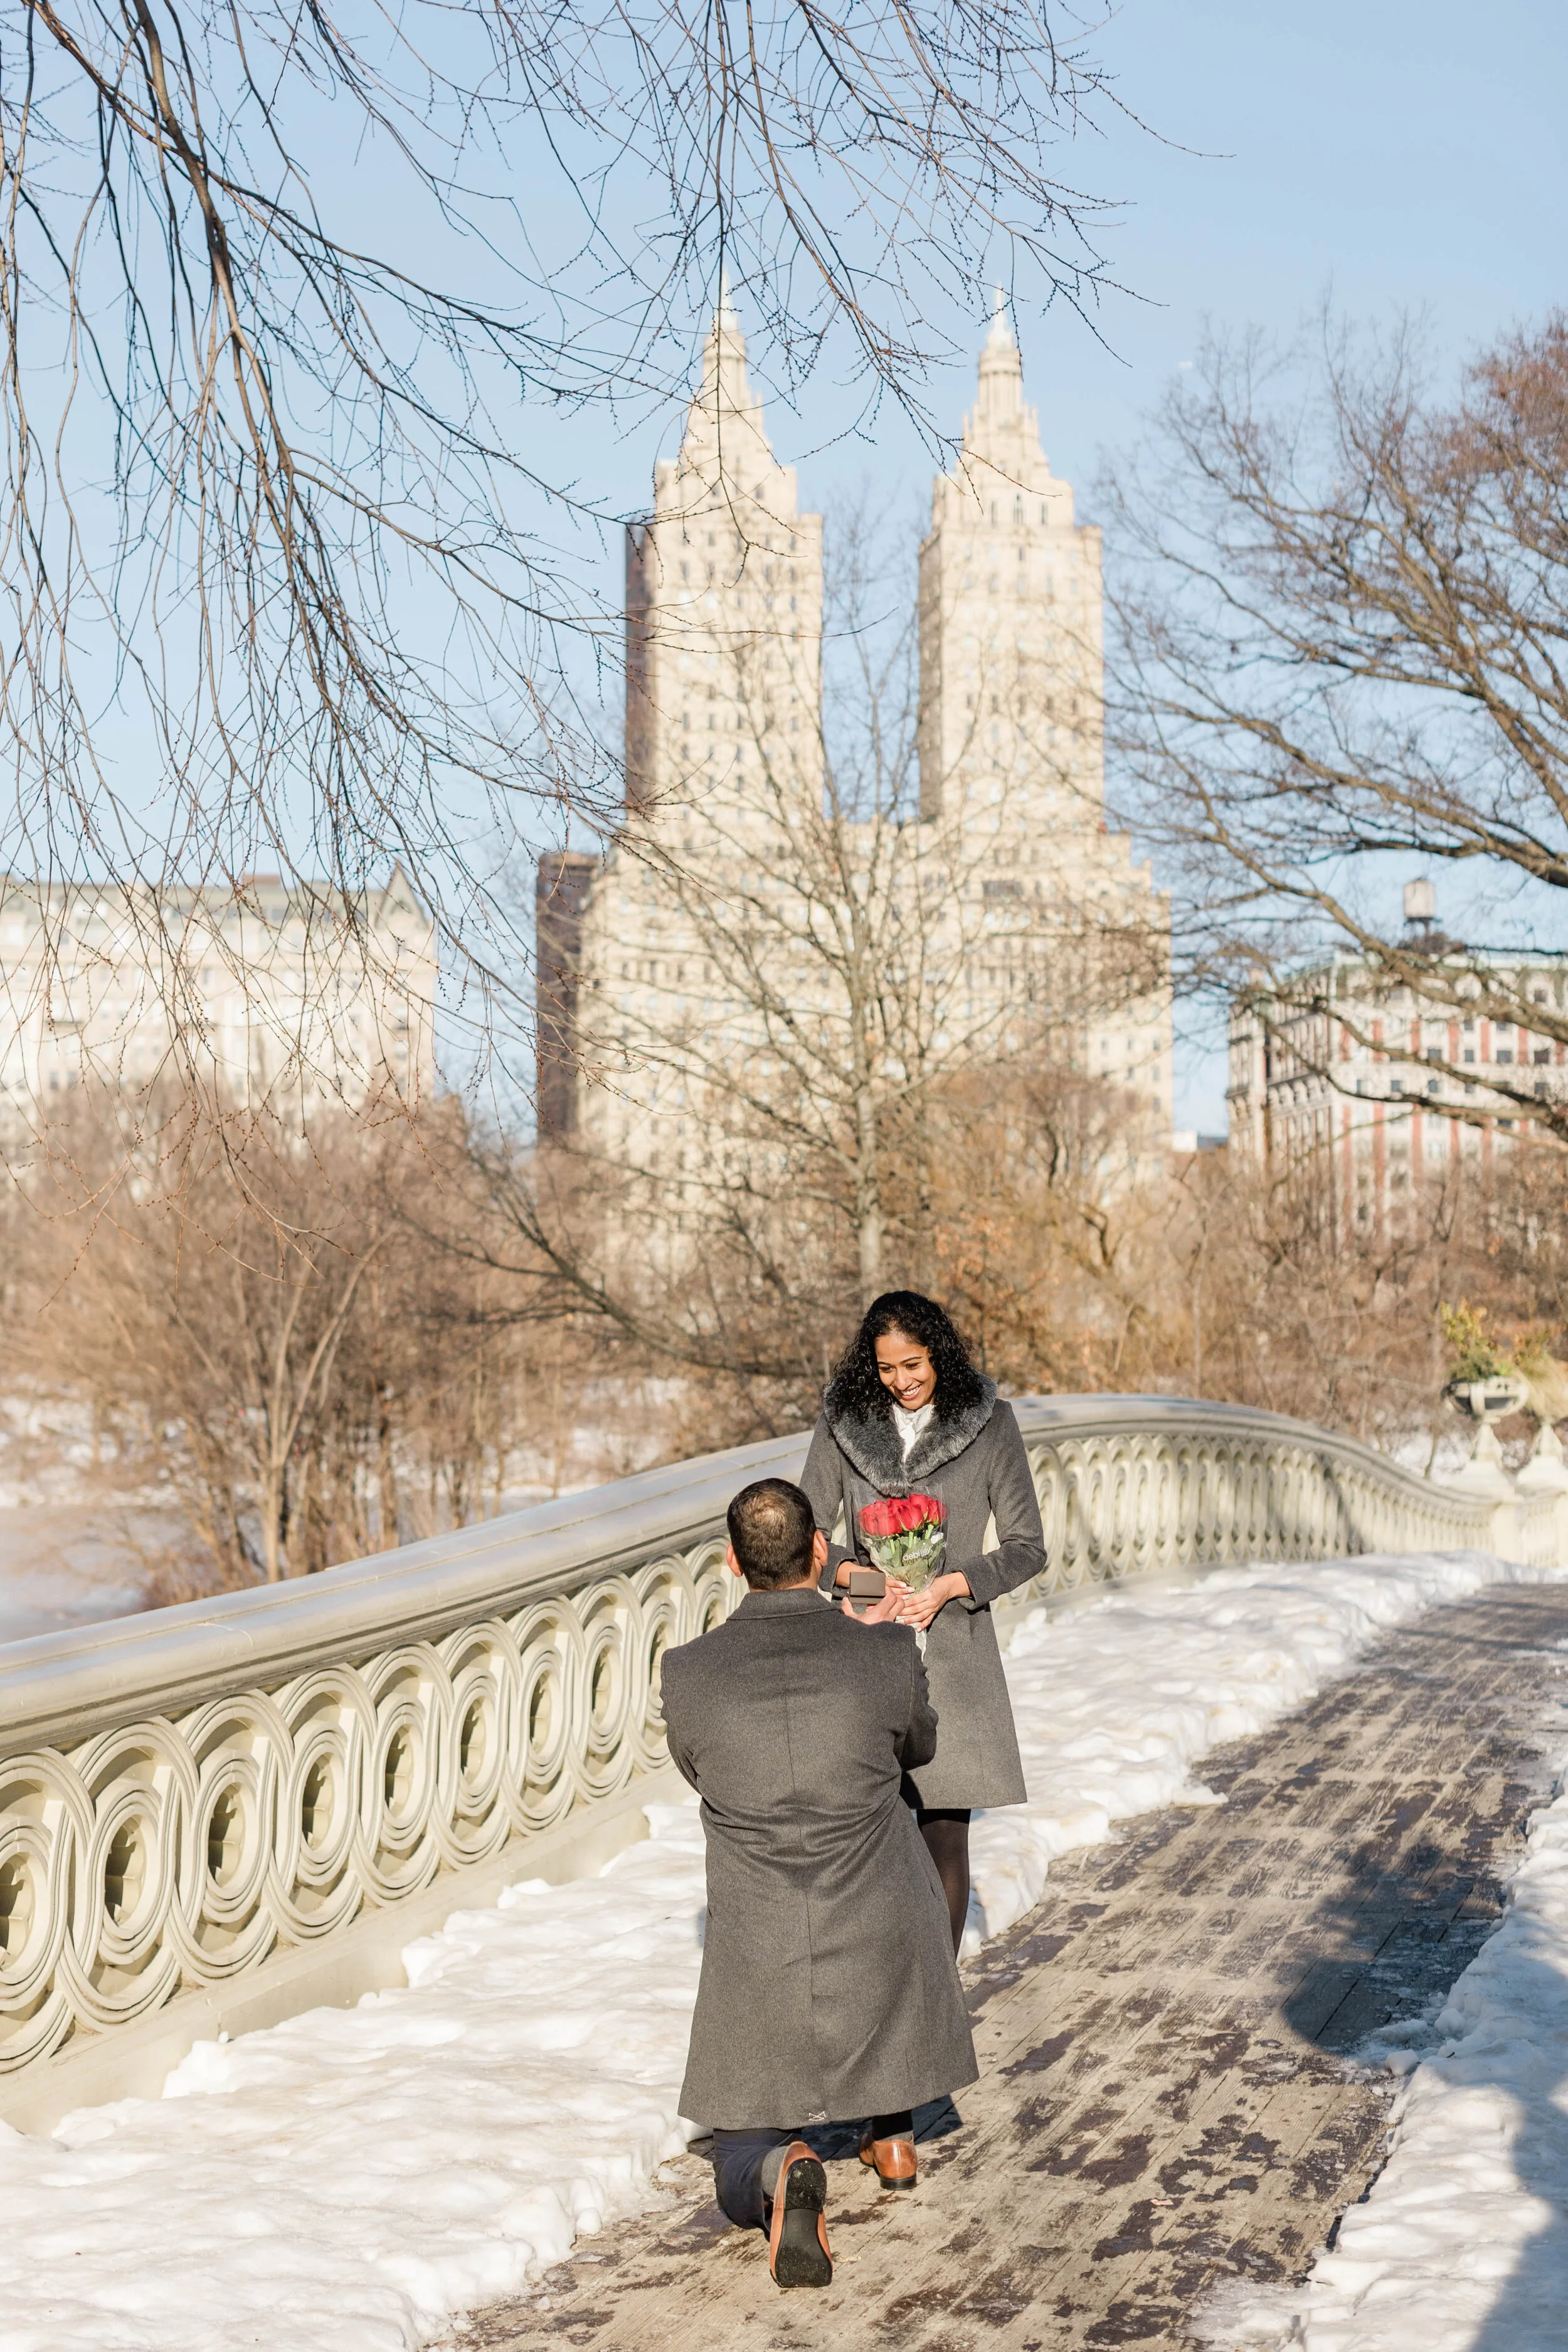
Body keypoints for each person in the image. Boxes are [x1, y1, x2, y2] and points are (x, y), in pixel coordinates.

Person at [660, 1476, 977, 2287]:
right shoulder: (883, 1653)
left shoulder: (689, 1670)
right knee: (885, 1878)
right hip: (880, 1921)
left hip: (760, 1936)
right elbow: (921, 1746)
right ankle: (895, 2137)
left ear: (732, 1561)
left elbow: (699, 1770)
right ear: (816, 1553)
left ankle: (781, 2167)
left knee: (737, 2143)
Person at [800, 1291, 1046, 1955]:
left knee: (943, 1832)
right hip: (862, 1654)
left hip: (955, 1660)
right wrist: (872, 1584)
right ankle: (881, 1989)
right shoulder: (841, 1423)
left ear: (937, 1352)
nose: (902, 1381)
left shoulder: (989, 1423)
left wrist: (948, 1587)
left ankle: (934, 2003)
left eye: (913, 1364)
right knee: (868, 1837)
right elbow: (809, 1541)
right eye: (886, 1370)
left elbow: (1027, 1546)